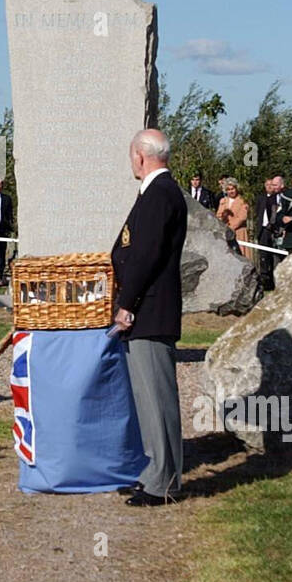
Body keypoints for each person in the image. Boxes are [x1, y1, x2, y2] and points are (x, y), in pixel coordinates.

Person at [110, 129, 188, 507]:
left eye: (131, 156)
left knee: (157, 399)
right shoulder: (156, 192)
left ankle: (164, 482)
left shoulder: (160, 193)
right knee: (146, 397)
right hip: (147, 308)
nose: (131, 163)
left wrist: (127, 303)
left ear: (141, 156)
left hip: (150, 308)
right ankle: (154, 472)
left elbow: (146, 254)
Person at [215, 178, 249, 251]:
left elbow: (242, 217)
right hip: (224, 232)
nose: (231, 191)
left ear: (236, 188)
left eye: (232, 189)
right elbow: (219, 215)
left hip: (239, 233)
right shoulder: (223, 200)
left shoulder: (243, 201)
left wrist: (230, 228)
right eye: (228, 189)